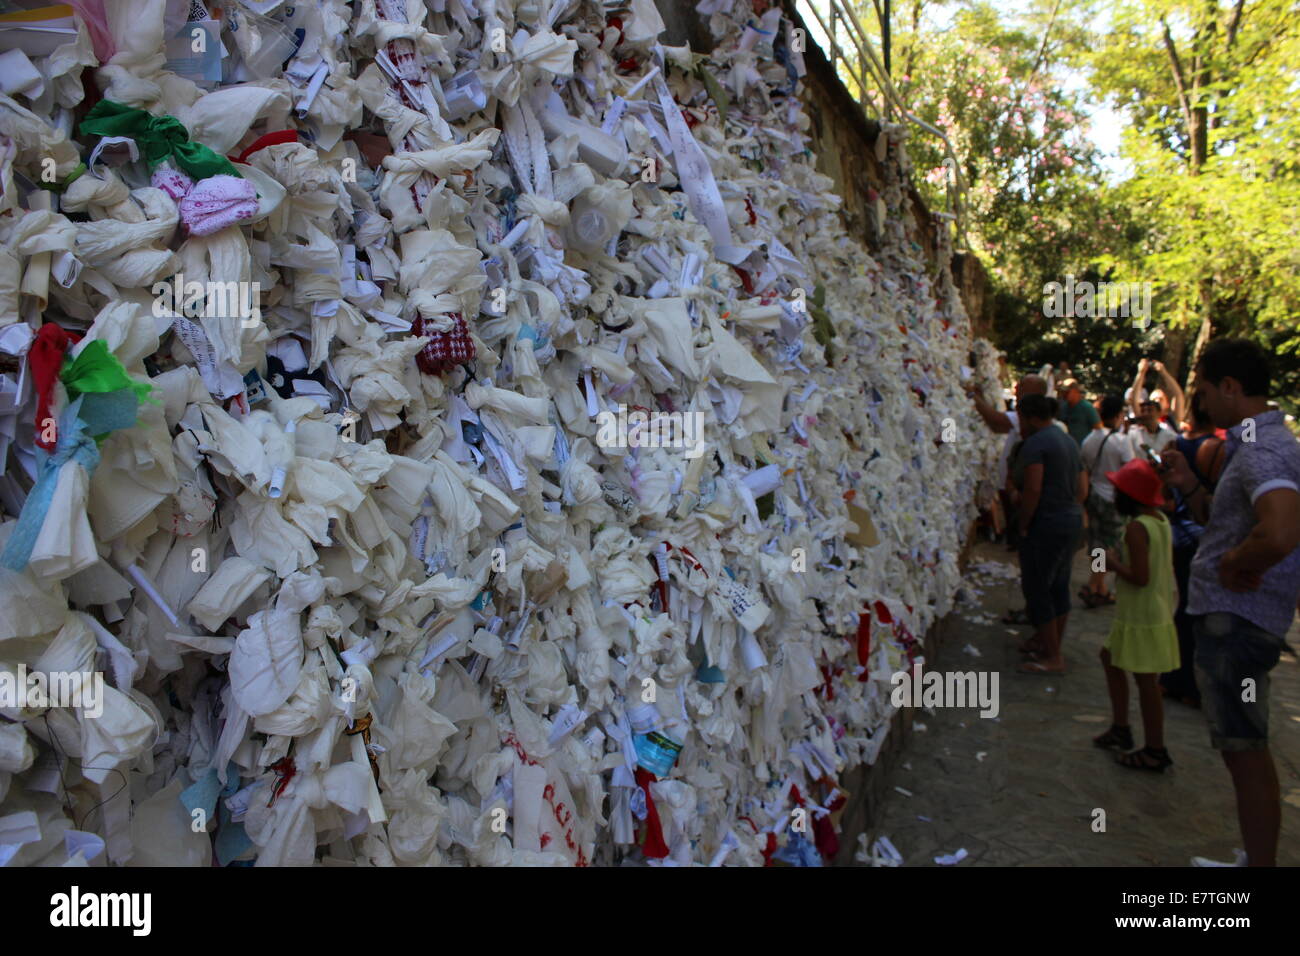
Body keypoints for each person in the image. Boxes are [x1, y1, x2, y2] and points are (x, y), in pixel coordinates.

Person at [1159, 338, 1300, 867]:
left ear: (1231, 388)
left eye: (1203, 391)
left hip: (1238, 622)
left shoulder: (1265, 450)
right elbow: (1231, 516)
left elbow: (1281, 529)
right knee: (1241, 747)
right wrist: (1189, 485)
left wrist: (1237, 561)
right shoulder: (1255, 445)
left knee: (1245, 749)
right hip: (1235, 620)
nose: (1201, 405)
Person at [1092, 459, 1180, 770]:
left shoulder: (1136, 528)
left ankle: (1155, 749)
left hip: (1142, 615)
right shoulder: (1160, 521)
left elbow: (1139, 576)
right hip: (1147, 609)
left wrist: (1112, 563)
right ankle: (1121, 728)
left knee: (1147, 683)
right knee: (1109, 658)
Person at [1012, 394, 1087, 674]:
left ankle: (1053, 655)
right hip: (1070, 520)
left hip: (1047, 523)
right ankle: (1048, 643)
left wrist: (1024, 523)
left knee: (1037, 587)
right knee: (1059, 584)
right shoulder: (1067, 440)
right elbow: (1083, 489)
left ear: (1031, 417)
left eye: (1020, 418)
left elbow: (1033, 488)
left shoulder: (1036, 444)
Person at [1159, 392, 1226, 708]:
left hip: (1178, 530)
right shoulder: (1214, 448)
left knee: (1185, 604)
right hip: (1200, 532)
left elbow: (1163, 481)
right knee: (1197, 611)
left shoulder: (1174, 442)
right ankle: (1189, 682)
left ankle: (1174, 676)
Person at [1079, 395, 1135, 607]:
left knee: (1098, 543)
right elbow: (1130, 469)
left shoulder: (1089, 439)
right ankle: (1095, 585)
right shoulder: (1121, 441)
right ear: (1119, 415)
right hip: (1113, 497)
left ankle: (1099, 586)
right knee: (1110, 545)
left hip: (1094, 495)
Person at [1130, 358, 1187, 429]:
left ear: (1167, 404)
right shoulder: (1144, 419)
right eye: (1153, 399)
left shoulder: (1173, 420)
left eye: (1160, 399)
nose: (1157, 401)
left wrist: (1164, 372)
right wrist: (1141, 372)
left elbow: (1178, 394)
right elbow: (1134, 400)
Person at [1128, 396, 1178, 460]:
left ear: (1159, 413)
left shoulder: (1170, 436)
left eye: (1149, 410)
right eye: (1142, 411)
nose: (1145, 414)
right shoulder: (1133, 435)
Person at [1056, 378, 1101, 446]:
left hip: (1082, 449)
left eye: (1067, 392)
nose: (1064, 395)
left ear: (1075, 391)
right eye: (1063, 392)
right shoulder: (1062, 407)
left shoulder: (1087, 407)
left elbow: (1098, 429)